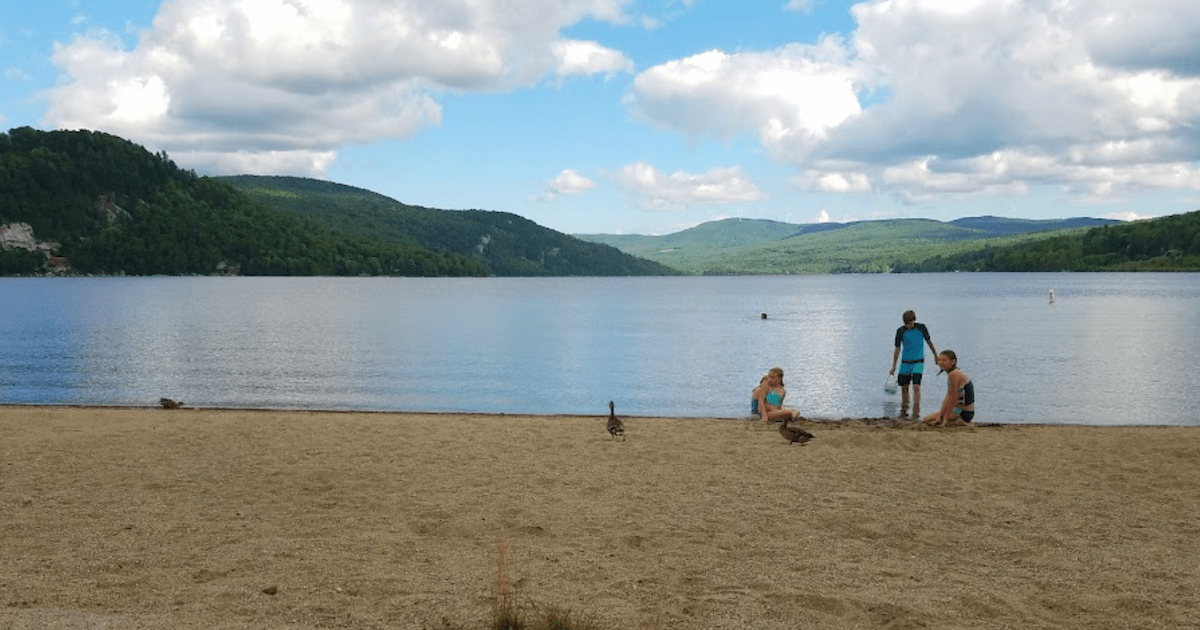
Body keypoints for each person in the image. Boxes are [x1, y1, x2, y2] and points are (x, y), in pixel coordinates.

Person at [889, 310, 937, 418]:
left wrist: (935, 355)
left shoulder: (921, 328)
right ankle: (904, 409)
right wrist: (894, 365)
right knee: (904, 388)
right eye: (907, 323)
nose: (909, 325)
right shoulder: (900, 331)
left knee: (916, 387)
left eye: (911, 323)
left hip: (918, 362)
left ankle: (916, 410)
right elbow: (897, 348)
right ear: (904, 322)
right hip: (905, 363)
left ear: (914, 320)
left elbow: (929, 342)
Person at [923, 350, 975, 427]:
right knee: (927, 419)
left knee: (934, 420)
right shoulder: (952, 373)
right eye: (940, 360)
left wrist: (945, 418)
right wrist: (940, 414)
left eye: (944, 360)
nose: (941, 362)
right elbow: (948, 397)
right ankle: (953, 421)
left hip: (963, 412)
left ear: (953, 362)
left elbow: (953, 398)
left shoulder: (954, 374)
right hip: (958, 409)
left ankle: (959, 422)